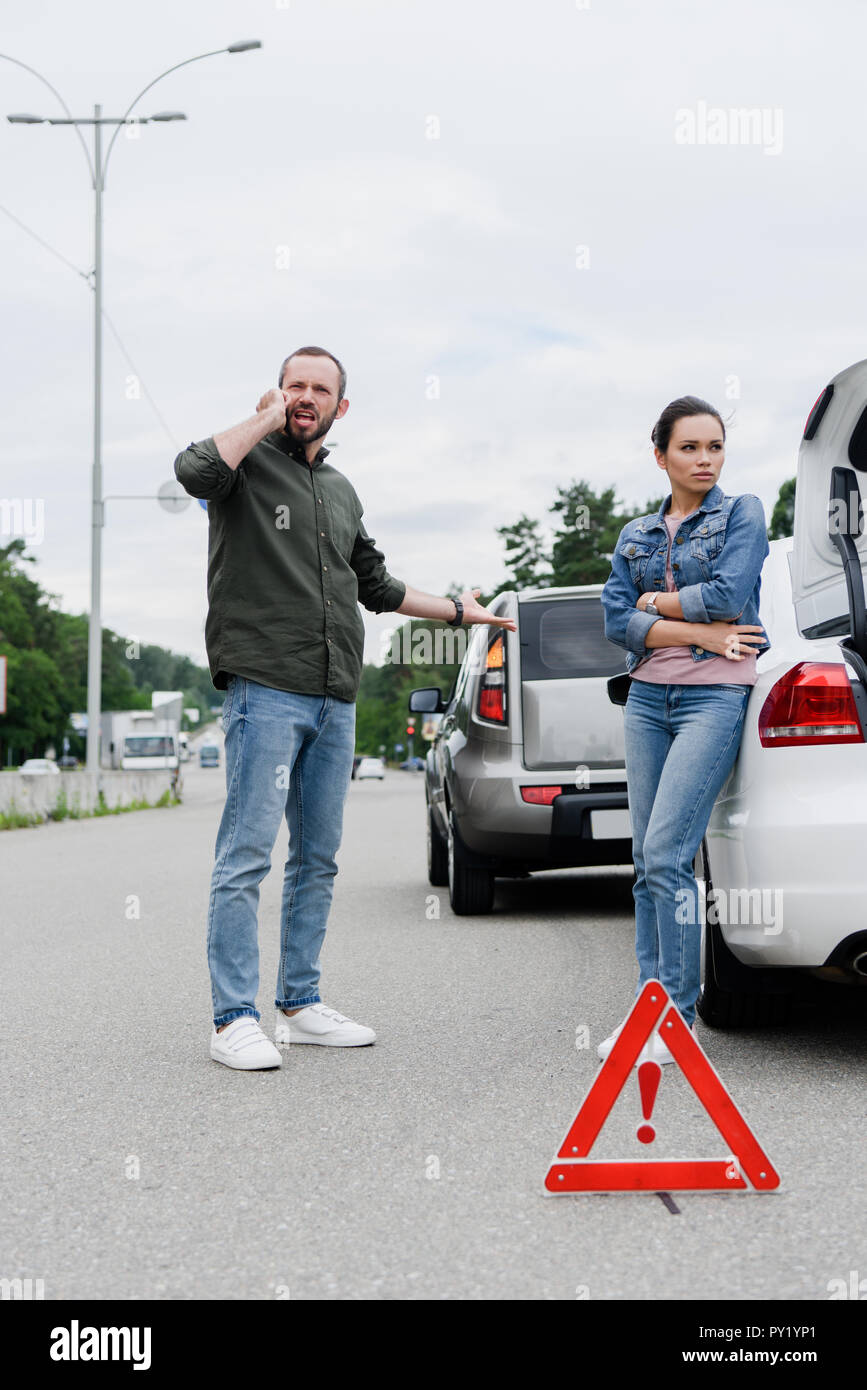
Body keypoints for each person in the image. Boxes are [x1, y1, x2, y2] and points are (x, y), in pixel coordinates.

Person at [174, 346, 516, 1070]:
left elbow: (378, 586)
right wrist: (261, 420)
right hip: (263, 687)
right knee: (245, 856)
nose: (304, 396)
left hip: (334, 695)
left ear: (340, 405)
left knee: (319, 858)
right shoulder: (242, 467)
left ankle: (298, 1004)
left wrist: (462, 611)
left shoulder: (339, 489)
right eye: (293, 385)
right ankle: (232, 1018)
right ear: (277, 392)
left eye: (318, 388)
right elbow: (191, 472)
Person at [599, 395, 770, 1063]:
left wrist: (654, 605)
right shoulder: (635, 534)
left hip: (712, 696)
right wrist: (698, 629)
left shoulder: (741, 513)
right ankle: (651, 1007)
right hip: (645, 698)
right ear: (660, 456)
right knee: (646, 860)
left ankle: (673, 1016)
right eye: (689, 448)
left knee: (668, 853)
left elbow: (730, 596)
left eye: (714, 447)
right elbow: (614, 621)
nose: (704, 459)